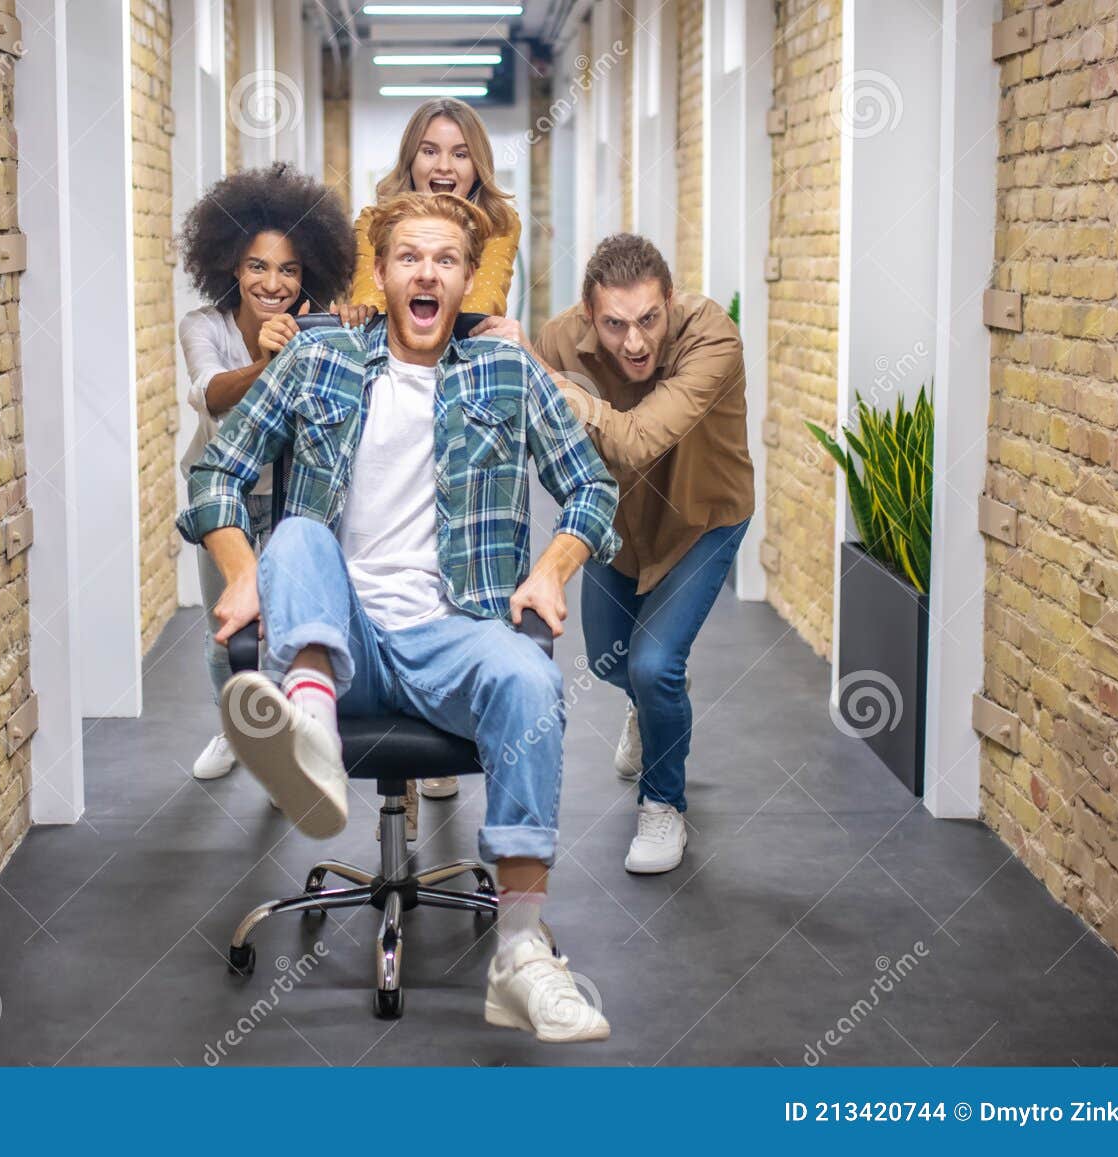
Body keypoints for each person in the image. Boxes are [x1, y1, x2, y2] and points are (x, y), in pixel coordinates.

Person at [177, 192, 619, 1042]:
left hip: (458, 630)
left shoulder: (508, 369)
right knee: (298, 532)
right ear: (379, 274)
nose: (426, 273)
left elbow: (594, 488)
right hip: (341, 633)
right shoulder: (317, 359)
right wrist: (240, 571)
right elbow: (216, 476)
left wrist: (555, 570)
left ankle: (522, 958)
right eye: (409, 257)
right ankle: (307, 721)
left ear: (465, 278)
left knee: (530, 674)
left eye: (445, 260)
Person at [534, 234, 754, 875]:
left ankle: (663, 807)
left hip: (703, 519)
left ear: (670, 300)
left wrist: (551, 387)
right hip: (618, 521)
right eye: (614, 324)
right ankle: (649, 703)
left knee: (655, 663)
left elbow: (635, 442)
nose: (634, 342)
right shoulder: (559, 342)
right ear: (587, 314)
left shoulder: (713, 337)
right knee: (612, 663)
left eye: (648, 320)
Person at [339, 97, 522, 809]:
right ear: (410, 157)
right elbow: (367, 302)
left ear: (478, 162)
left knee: (448, 552)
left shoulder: (498, 227)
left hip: (461, 396)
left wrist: (455, 311)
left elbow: (481, 305)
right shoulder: (370, 222)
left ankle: (435, 720)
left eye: (460, 153)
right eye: (431, 151)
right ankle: (398, 798)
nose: (444, 166)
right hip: (393, 392)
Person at [177, 163, 356, 783]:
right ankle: (237, 731)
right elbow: (213, 395)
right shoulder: (205, 326)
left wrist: (322, 339)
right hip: (221, 493)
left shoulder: (316, 328)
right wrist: (268, 360)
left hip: (291, 494)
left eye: (288, 269)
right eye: (257, 266)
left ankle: (286, 746)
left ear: (310, 274)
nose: (272, 283)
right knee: (226, 625)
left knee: (289, 621)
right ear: (231, 265)